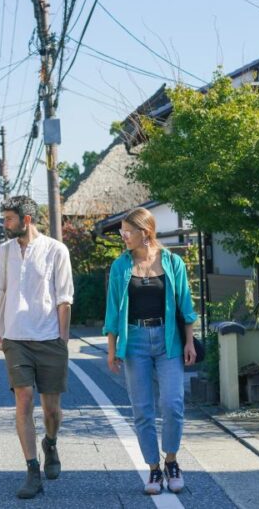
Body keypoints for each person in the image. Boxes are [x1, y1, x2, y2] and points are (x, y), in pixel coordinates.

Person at [103, 207, 197, 495]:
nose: (123, 236)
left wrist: (190, 341)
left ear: (145, 233)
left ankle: (171, 461)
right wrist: (111, 348)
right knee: (142, 409)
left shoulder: (172, 262)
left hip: (168, 339)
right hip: (135, 342)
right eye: (122, 231)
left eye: (127, 231)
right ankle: (154, 469)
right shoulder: (120, 266)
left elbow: (186, 305)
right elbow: (112, 309)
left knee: (172, 404)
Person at [0, 196, 74, 499]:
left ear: (26, 220)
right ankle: (32, 470)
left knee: (52, 410)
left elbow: (64, 298)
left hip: (49, 338)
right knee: (23, 401)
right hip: (15, 338)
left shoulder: (55, 250)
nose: (4, 224)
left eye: (8, 219)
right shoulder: (3, 251)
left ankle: (50, 443)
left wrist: (62, 340)